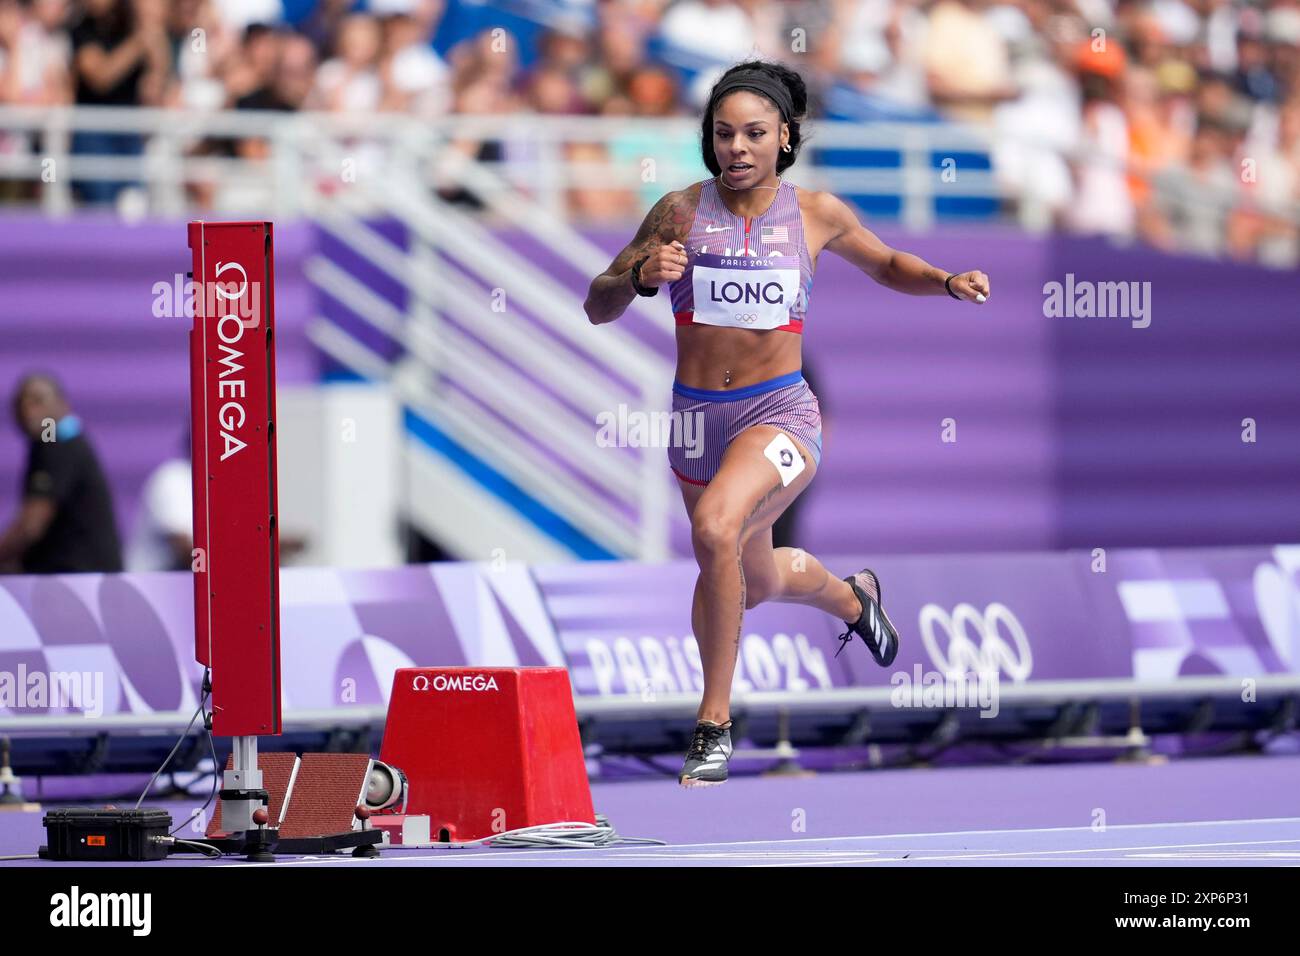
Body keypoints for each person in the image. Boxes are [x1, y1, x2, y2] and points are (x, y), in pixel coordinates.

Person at [583, 60, 991, 787]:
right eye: (723, 134)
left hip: (781, 414)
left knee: (714, 531)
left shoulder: (816, 212)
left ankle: (712, 723)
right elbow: (598, 302)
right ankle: (851, 596)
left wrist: (945, 281)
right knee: (756, 575)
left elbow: (888, 263)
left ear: (785, 138)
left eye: (755, 134)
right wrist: (641, 276)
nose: (737, 148)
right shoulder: (678, 211)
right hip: (696, 424)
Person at [0, 373, 123, 574]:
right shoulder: (52, 442)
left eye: (38, 401)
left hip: (77, 580)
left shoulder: (55, 443)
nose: (29, 411)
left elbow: (31, 526)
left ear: (62, 405)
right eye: (21, 404)